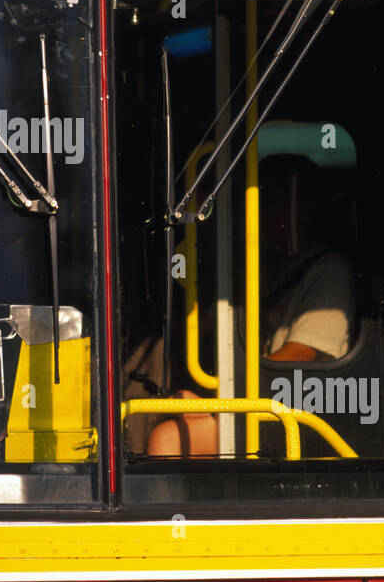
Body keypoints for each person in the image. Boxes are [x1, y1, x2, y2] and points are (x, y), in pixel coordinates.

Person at [145, 154, 356, 457]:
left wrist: (215, 402)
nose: (255, 214)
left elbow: (296, 356)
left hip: (307, 410)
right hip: (267, 405)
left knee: (171, 440)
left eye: (271, 202)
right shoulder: (271, 270)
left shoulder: (330, 272)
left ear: (303, 210)